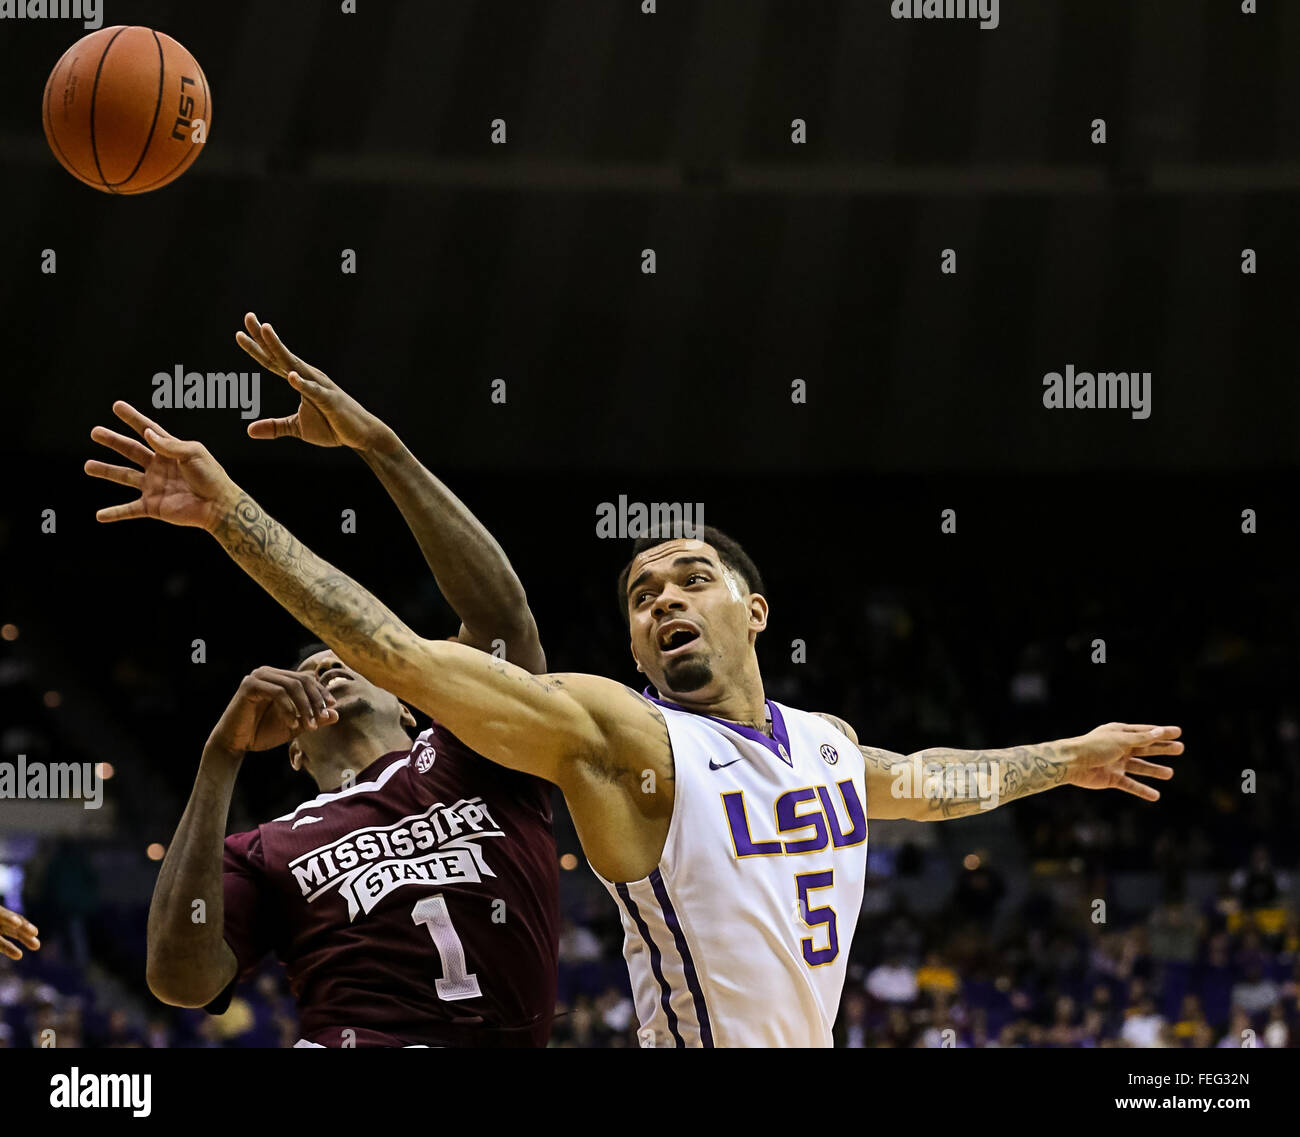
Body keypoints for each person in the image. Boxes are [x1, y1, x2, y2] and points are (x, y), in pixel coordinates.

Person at [85, 395, 1184, 1048]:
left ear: (752, 612)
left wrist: (1066, 761)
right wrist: (229, 512)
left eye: (687, 577)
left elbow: (943, 781)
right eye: (641, 595)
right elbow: (402, 656)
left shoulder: (828, 747)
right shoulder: (621, 738)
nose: (662, 598)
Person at [138, 316, 557, 1047]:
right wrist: (220, 755)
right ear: (293, 752)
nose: (328, 662)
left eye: (353, 657)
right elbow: (182, 977)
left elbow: (499, 619)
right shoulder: (267, 846)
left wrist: (379, 445)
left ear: (414, 704)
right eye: (309, 668)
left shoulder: (474, 754)